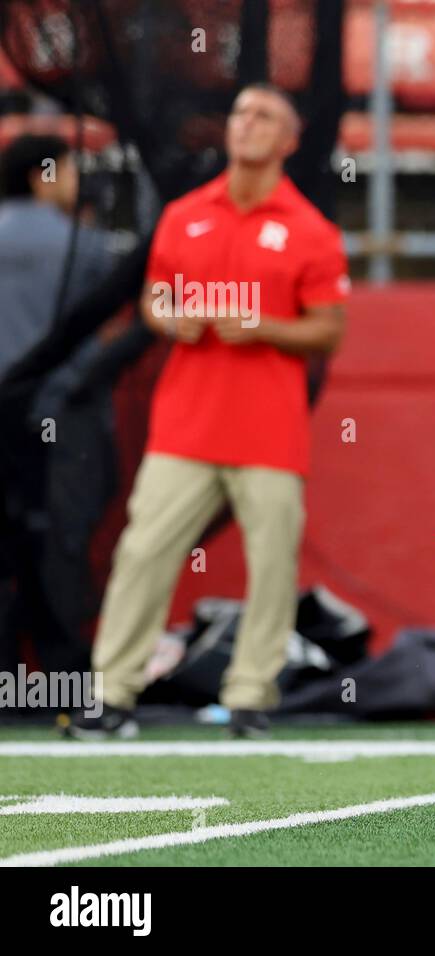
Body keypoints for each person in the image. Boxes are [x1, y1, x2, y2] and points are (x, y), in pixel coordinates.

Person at [64, 84, 350, 740]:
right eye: (241, 113)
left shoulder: (310, 230)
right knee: (142, 554)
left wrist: (263, 330)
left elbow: (328, 330)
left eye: (264, 117)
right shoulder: (184, 215)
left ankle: (250, 697)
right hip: (184, 426)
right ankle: (112, 696)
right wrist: (170, 320)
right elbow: (153, 301)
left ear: (288, 141)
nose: (247, 124)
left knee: (272, 563)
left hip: (270, 432)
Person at [0, 134, 119, 680]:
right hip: (58, 412)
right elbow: (90, 337)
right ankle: (57, 672)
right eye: (68, 171)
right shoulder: (83, 246)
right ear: (41, 175)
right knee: (59, 537)